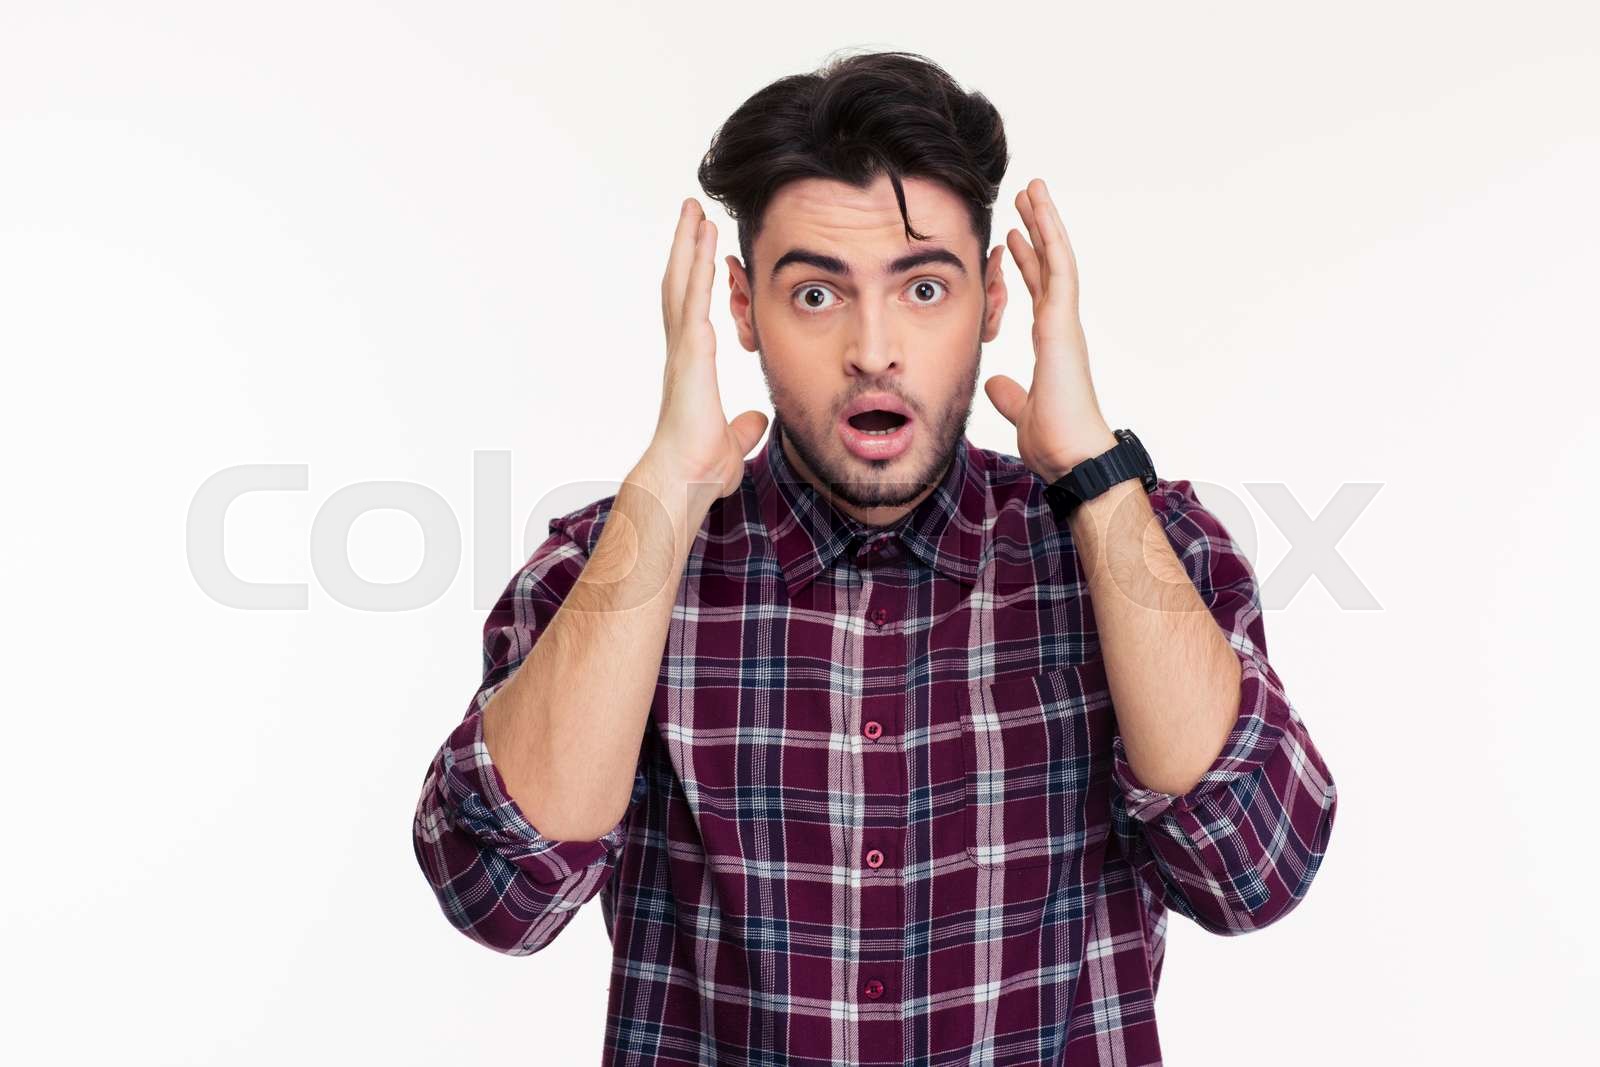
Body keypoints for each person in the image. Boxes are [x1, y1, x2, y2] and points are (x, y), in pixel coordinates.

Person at [411, 50, 1337, 1066]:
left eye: (924, 287)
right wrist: (661, 500)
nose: (873, 347)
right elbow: (497, 894)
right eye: (815, 295)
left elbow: (1253, 870)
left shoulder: (1141, 550)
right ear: (741, 307)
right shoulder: (611, 564)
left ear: (992, 301)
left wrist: (1094, 474)